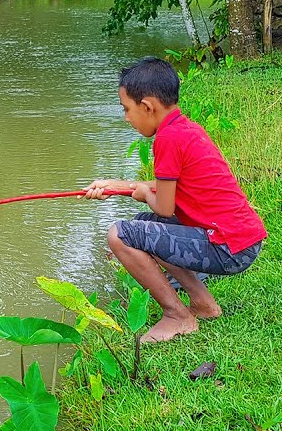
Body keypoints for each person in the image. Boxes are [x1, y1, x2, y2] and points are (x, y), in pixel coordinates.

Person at [84, 57, 266, 344]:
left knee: (119, 235)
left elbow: (165, 205)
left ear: (147, 106)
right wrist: (117, 186)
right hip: (242, 242)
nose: (127, 118)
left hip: (229, 248)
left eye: (127, 109)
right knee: (146, 225)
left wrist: (144, 194)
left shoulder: (167, 139)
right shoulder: (186, 129)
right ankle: (203, 304)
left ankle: (177, 316)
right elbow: (169, 187)